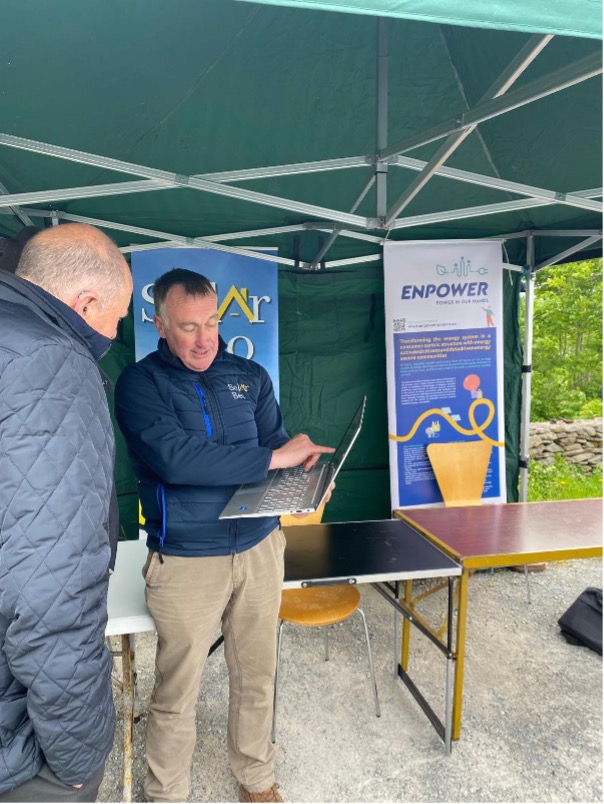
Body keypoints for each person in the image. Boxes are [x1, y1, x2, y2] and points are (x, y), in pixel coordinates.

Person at [114, 268, 334, 804]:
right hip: (188, 558)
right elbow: (176, 459)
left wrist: (304, 480)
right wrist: (272, 457)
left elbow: (276, 447)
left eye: (212, 321)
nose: (204, 338)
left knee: (257, 674)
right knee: (178, 688)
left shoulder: (249, 375)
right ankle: (167, 794)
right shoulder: (140, 384)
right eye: (188, 327)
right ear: (160, 324)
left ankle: (257, 778)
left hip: (260, 547)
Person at [0, 223, 133, 802]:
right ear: (85, 303)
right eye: (118, 318)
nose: (114, 332)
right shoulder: (51, 364)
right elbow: (49, 596)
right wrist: (78, 754)